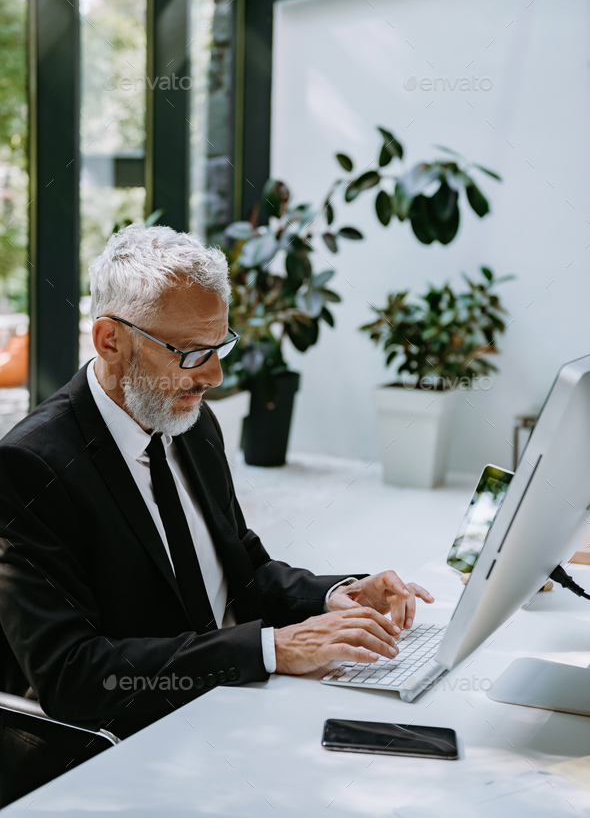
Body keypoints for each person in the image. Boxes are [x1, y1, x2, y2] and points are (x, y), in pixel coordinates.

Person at [0, 224, 433, 805]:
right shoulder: (29, 467)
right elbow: (73, 674)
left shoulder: (191, 423)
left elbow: (241, 565)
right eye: (191, 354)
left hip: (234, 704)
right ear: (109, 341)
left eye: (220, 346)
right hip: (140, 746)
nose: (214, 376)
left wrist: (337, 595)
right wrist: (274, 648)